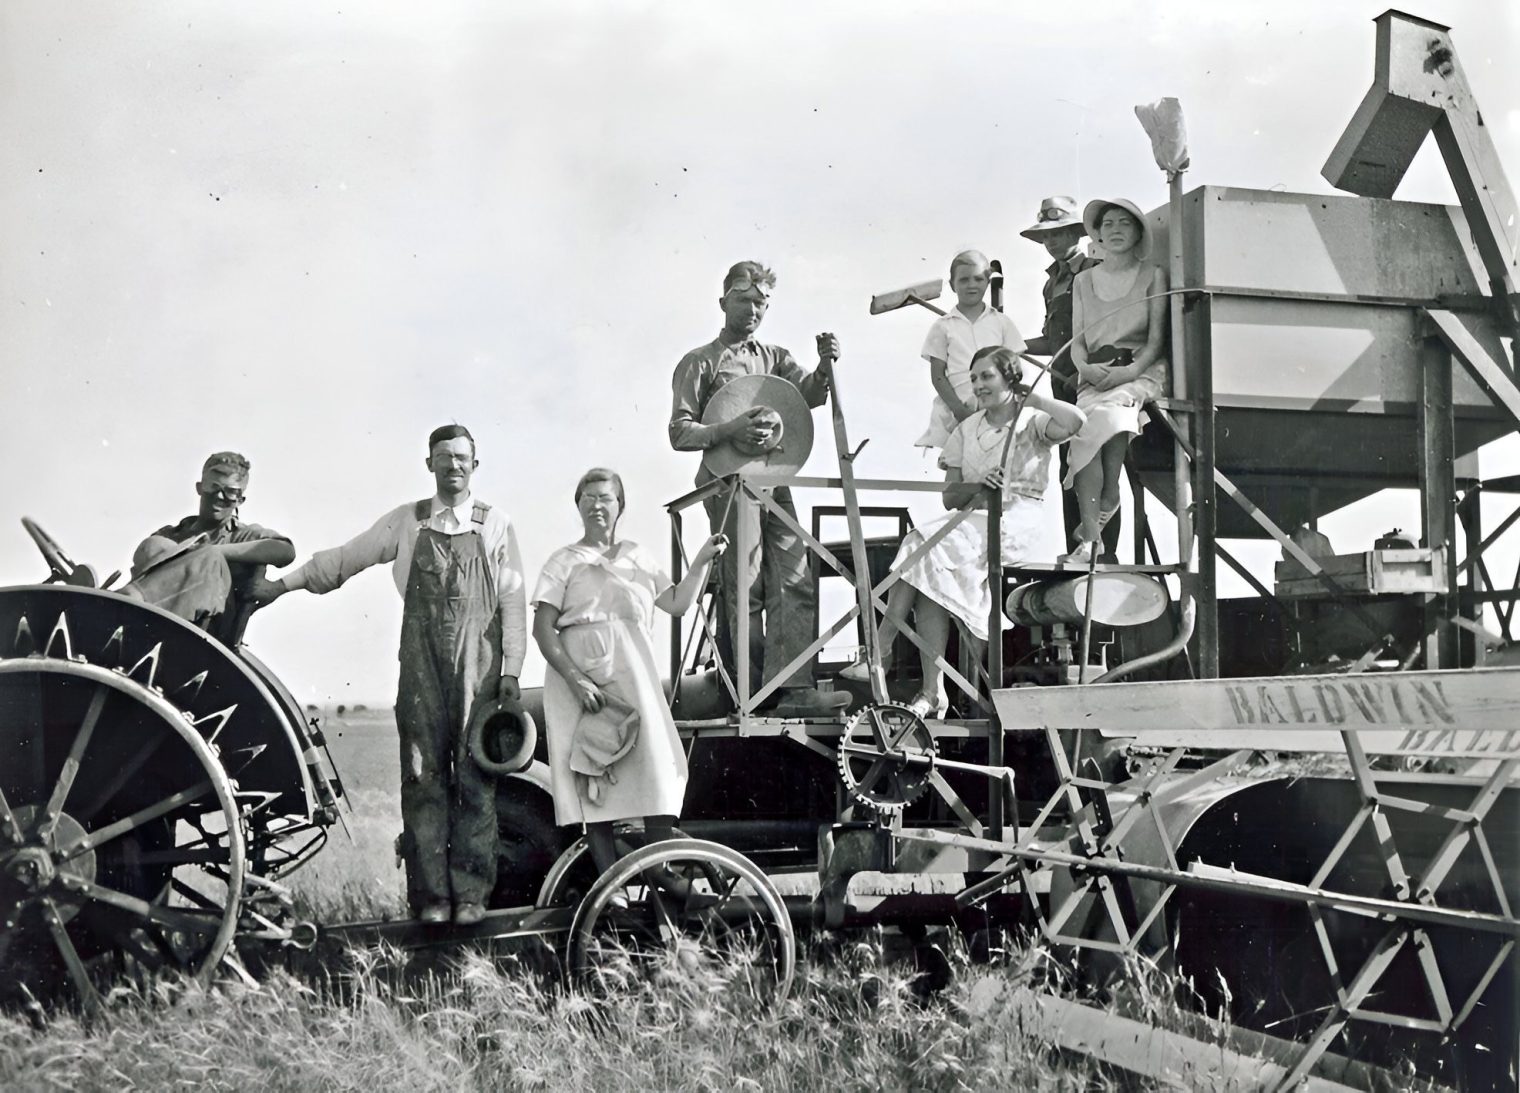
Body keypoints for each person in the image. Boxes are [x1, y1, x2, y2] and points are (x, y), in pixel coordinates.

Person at [247, 425, 525, 927]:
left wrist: (512, 671)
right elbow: (344, 560)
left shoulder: (496, 524)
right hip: (420, 665)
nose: (453, 465)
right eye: (444, 457)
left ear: (475, 465)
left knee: (475, 777)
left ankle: (471, 895)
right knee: (421, 775)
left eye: (462, 457)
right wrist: (281, 587)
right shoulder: (407, 522)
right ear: (430, 464)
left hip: (479, 669)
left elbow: (513, 603)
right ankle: (431, 898)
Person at [841, 347, 1084, 715]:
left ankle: (883, 651)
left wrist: (1033, 399)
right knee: (924, 565)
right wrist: (978, 487)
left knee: (925, 549)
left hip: (1016, 519)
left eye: (986, 376)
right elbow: (949, 498)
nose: (978, 385)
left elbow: (1077, 421)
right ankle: (930, 688)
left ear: (1009, 378)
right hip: (972, 517)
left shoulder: (1031, 422)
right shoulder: (966, 429)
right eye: (973, 378)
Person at [668, 259, 848, 717]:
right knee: (744, 584)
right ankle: (751, 694)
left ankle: (795, 690)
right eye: (744, 299)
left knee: (795, 577)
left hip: (774, 480)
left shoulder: (776, 358)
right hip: (727, 485)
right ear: (723, 301)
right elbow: (680, 432)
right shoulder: (701, 362)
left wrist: (824, 367)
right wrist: (729, 430)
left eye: (761, 303)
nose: (752, 309)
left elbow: (808, 394)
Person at [532, 467, 727, 873]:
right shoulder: (563, 561)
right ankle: (611, 885)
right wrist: (576, 680)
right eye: (588, 497)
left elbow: (677, 602)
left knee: (656, 771)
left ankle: (658, 871)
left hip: (633, 676)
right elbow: (542, 629)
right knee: (594, 780)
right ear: (578, 505)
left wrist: (702, 560)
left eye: (605, 497)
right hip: (580, 684)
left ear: (620, 506)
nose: (596, 505)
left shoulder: (638, 556)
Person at [1061, 198, 1169, 565]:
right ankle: (1095, 527)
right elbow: (1077, 340)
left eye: (1125, 223)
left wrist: (1129, 372)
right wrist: (1084, 367)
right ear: (1098, 234)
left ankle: (1103, 507)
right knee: (1081, 427)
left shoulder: (1153, 275)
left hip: (1138, 370)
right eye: (1108, 224)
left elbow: (1155, 341)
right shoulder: (1083, 280)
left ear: (1138, 232)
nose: (1116, 230)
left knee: (1110, 416)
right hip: (1096, 374)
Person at [1016, 196, 1116, 556]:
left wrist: (1088, 370)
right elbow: (1051, 340)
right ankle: (1078, 548)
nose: (1051, 242)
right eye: (1046, 236)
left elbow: (1108, 332)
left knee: (1096, 462)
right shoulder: (1050, 283)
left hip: (1094, 382)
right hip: (1063, 387)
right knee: (1069, 466)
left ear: (1076, 232)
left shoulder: (1096, 269)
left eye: (1058, 233)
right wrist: (1011, 345)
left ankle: (1104, 552)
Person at [126, 451, 295, 643]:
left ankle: (130, 601)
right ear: (199, 488)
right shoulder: (173, 533)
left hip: (210, 629)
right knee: (155, 545)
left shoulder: (243, 535)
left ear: (240, 500)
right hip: (158, 615)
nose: (220, 496)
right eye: (213, 487)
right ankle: (125, 606)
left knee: (208, 558)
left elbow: (286, 551)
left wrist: (211, 551)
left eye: (231, 492)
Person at [915, 249, 1026, 451]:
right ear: (952, 285)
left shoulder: (1001, 322)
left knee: (997, 456)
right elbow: (937, 376)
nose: (971, 285)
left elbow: (1014, 368)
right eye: (964, 280)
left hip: (996, 406)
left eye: (978, 279)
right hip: (958, 407)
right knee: (960, 459)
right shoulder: (943, 326)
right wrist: (959, 410)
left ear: (988, 282)